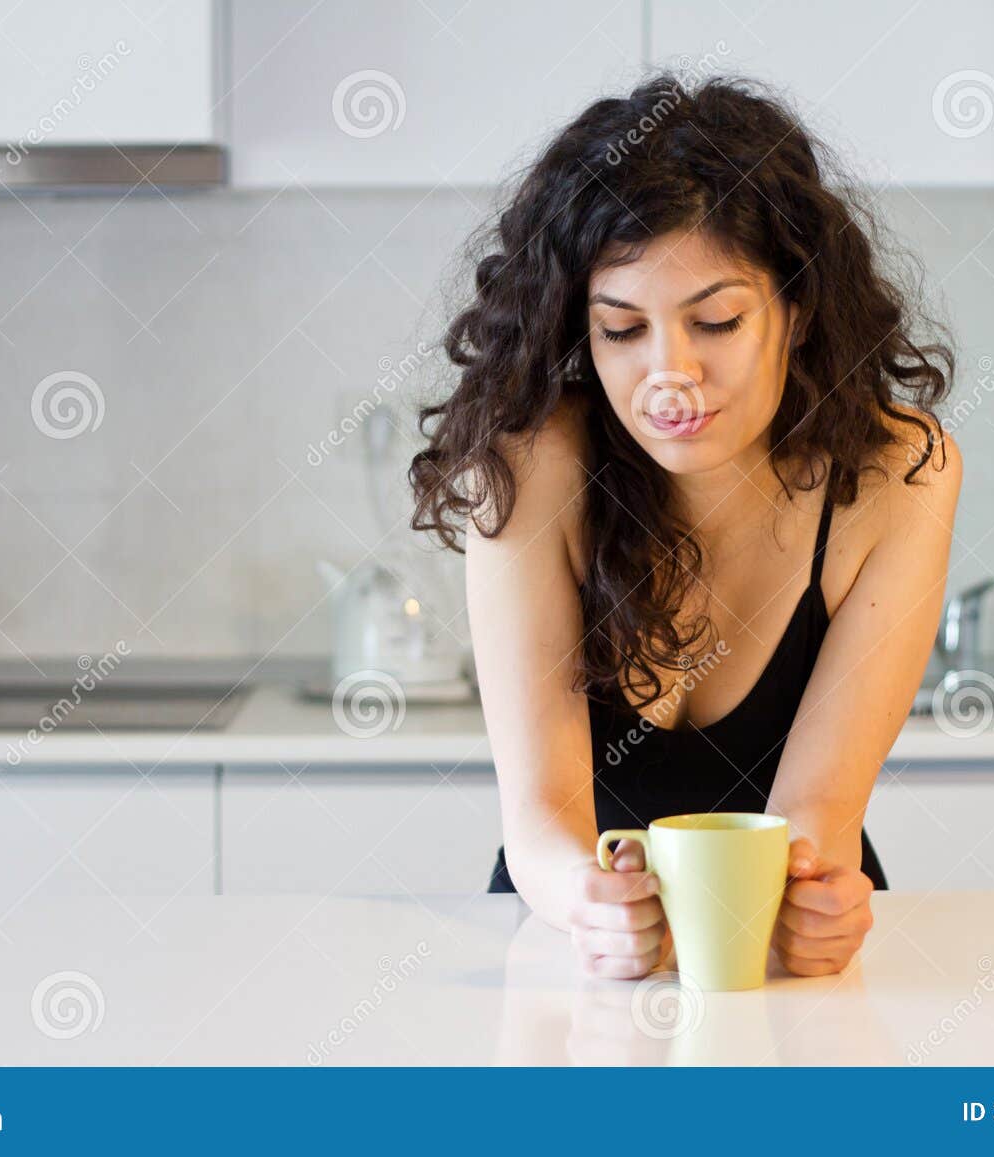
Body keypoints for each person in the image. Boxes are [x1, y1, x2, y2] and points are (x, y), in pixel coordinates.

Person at [410, 74, 961, 980]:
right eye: (622, 330)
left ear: (798, 309)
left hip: (787, 955)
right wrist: (589, 902)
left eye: (716, 320)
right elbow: (543, 818)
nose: (670, 377)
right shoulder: (529, 463)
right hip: (567, 943)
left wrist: (816, 892)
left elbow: (818, 809)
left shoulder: (900, 472)